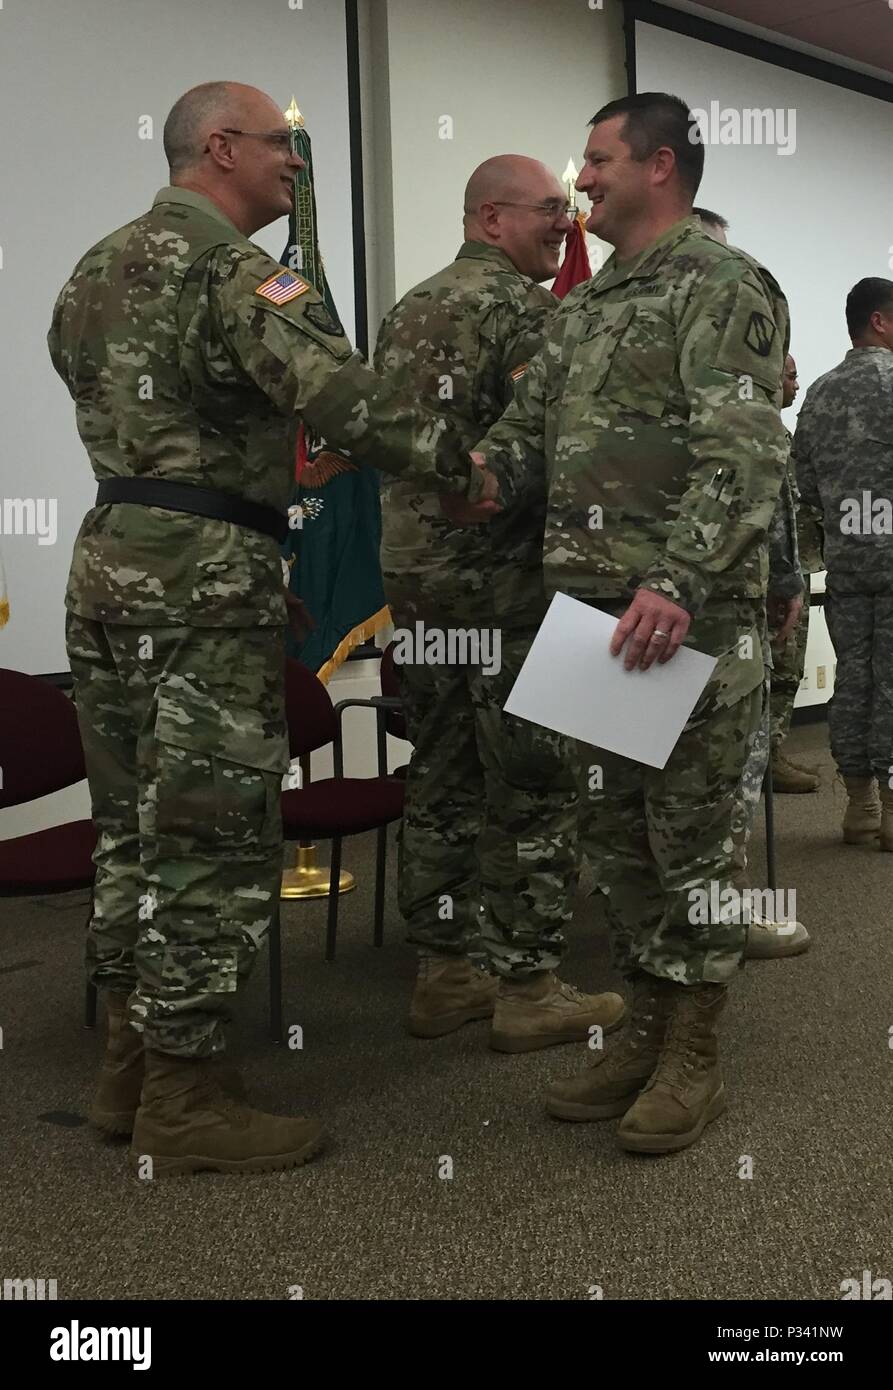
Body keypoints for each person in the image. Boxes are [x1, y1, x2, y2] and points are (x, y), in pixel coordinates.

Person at [48, 81, 481, 1178]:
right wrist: (458, 464)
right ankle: (186, 1098)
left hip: (113, 565)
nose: (295, 167)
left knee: (135, 833)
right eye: (282, 150)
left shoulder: (93, 268)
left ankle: (126, 1070)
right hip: (203, 580)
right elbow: (347, 401)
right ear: (222, 147)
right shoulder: (242, 273)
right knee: (211, 838)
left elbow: (133, 414)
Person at [470, 93, 791, 1153]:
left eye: (597, 159)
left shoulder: (721, 284)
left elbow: (742, 449)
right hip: (588, 614)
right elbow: (520, 441)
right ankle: (646, 1026)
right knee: (618, 845)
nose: (581, 179)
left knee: (689, 839)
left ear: (659, 166)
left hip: (678, 614)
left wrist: (680, 577)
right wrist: (461, 471)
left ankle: (693, 1050)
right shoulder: (581, 307)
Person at [373, 156, 624, 1052]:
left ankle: (445, 972)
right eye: (548, 211)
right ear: (489, 217)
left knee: (442, 767)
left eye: (569, 208)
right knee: (534, 776)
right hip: (505, 581)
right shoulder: (525, 311)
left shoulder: (408, 307)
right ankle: (527, 985)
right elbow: (554, 449)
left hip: (418, 580)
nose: (567, 225)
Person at [695, 210, 810, 957]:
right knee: (714, 769)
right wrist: (784, 578)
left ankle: (654, 923)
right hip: (712, 587)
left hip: (603, 579)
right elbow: (746, 466)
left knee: (635, 771)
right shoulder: (727, 301)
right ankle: (718, 916)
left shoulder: (586, 311)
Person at [793, 277, 893, 851]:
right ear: (878, 321)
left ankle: (860, 806)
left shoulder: (820, 393)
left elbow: (803, 482)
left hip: (848, 562)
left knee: (854, 676)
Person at [770, 353, 823, 793]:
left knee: (789, 670)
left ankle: (772, 751)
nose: (796, 386)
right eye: (790, 377)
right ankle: (765, 757)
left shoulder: (783, 435)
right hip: (773, 577)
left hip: (796, 567)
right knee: (780, 669)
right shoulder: (757, 435)